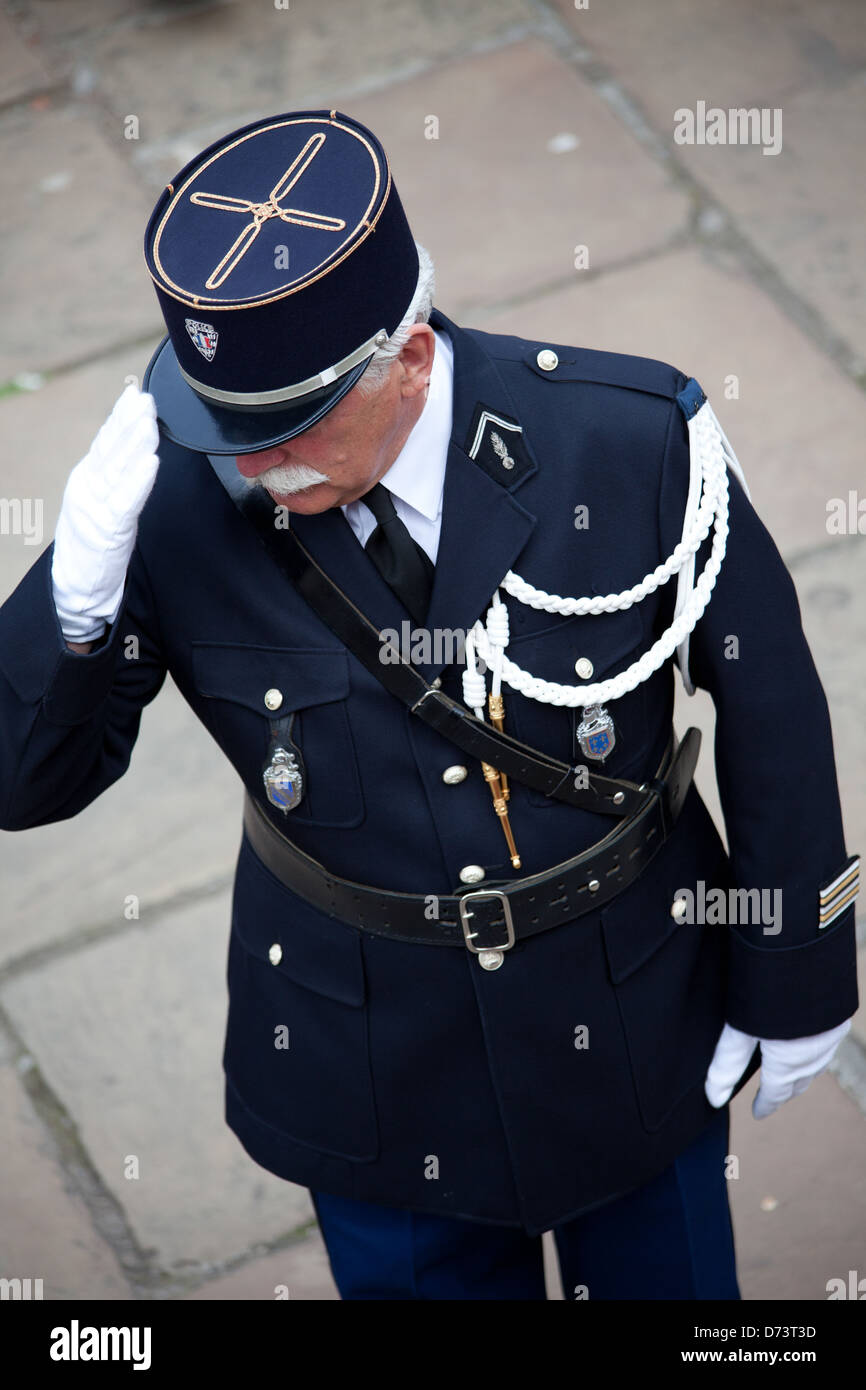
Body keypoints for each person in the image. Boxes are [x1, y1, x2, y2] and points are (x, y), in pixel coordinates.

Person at [0, 109, 858, 1301]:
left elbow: (766, 704)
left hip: (624, 1022)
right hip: (369, 1068)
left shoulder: (624, 438)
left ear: (406, 358)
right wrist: (72, 607)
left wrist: (799, 966)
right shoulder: (174, 507)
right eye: (228, 430)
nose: (255, 467)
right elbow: (25, 784)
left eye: (288, 426)